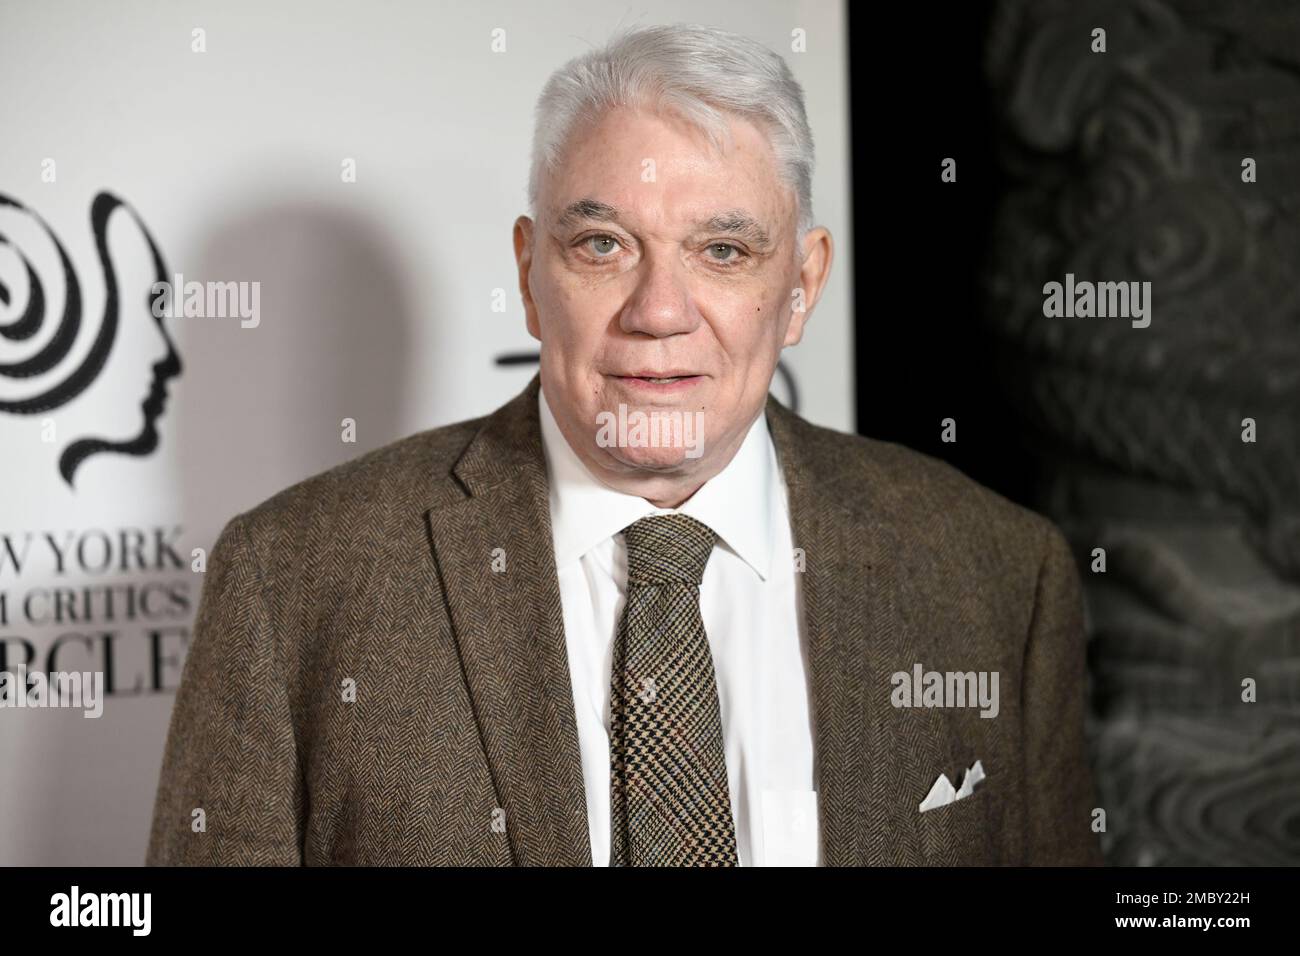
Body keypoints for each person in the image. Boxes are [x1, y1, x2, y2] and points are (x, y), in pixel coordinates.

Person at [146, 22, 1102, 867]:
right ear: (530, 274)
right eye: (604, 245)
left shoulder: (998, 575)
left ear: (804, 285)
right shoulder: (293, 580)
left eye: (723, 251)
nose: (658, 312)